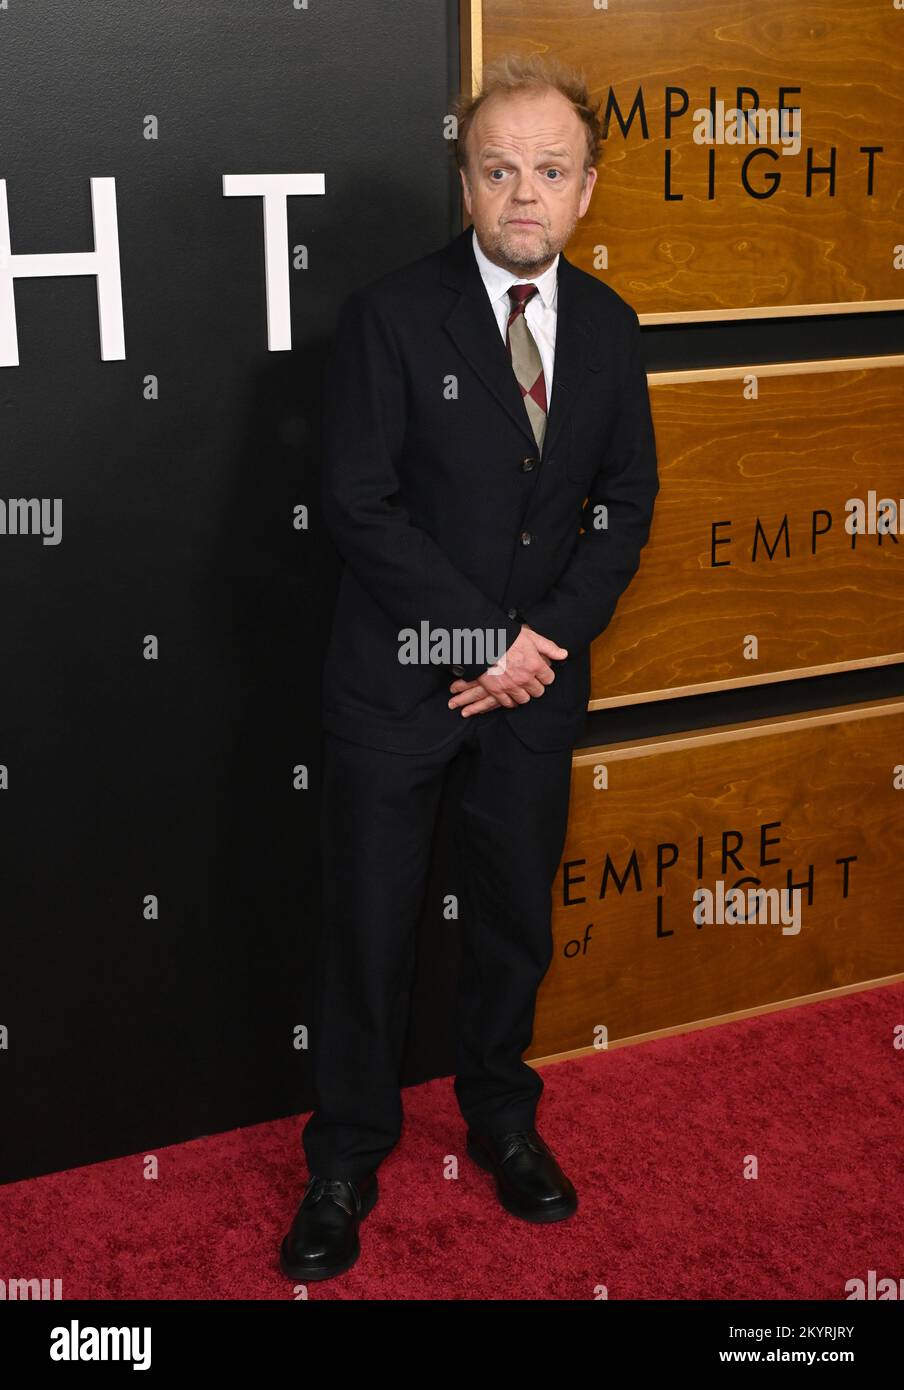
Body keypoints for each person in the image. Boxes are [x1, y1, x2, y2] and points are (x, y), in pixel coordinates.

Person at [280, 51, 659, 1282]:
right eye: (498, 170)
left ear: (587, 188)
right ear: (466, 180)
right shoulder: (392, 316)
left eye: (550, 171)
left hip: (533, 692)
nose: (524, 194)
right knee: (370, 928)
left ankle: (503, 1121)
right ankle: (343, 1156)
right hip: (398, 686)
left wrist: (533, 651)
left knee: (510, 925)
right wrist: (482, 642)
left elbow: (625, 505)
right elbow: (358, 504)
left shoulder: (607, 330)